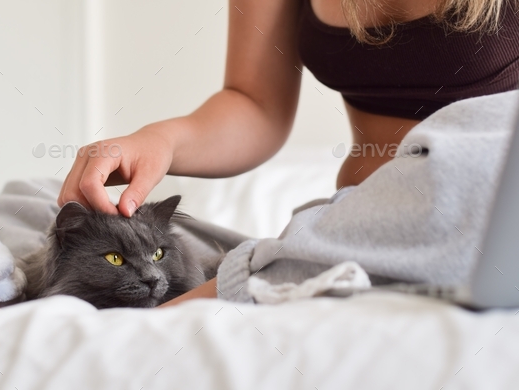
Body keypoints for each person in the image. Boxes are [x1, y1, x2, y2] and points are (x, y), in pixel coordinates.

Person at [55, 0, 518, 308]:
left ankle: (253, 276)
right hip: (340, 223)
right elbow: (254, 101)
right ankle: (270, 266)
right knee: (31, 200)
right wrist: (159, 140)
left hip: (467, 224)